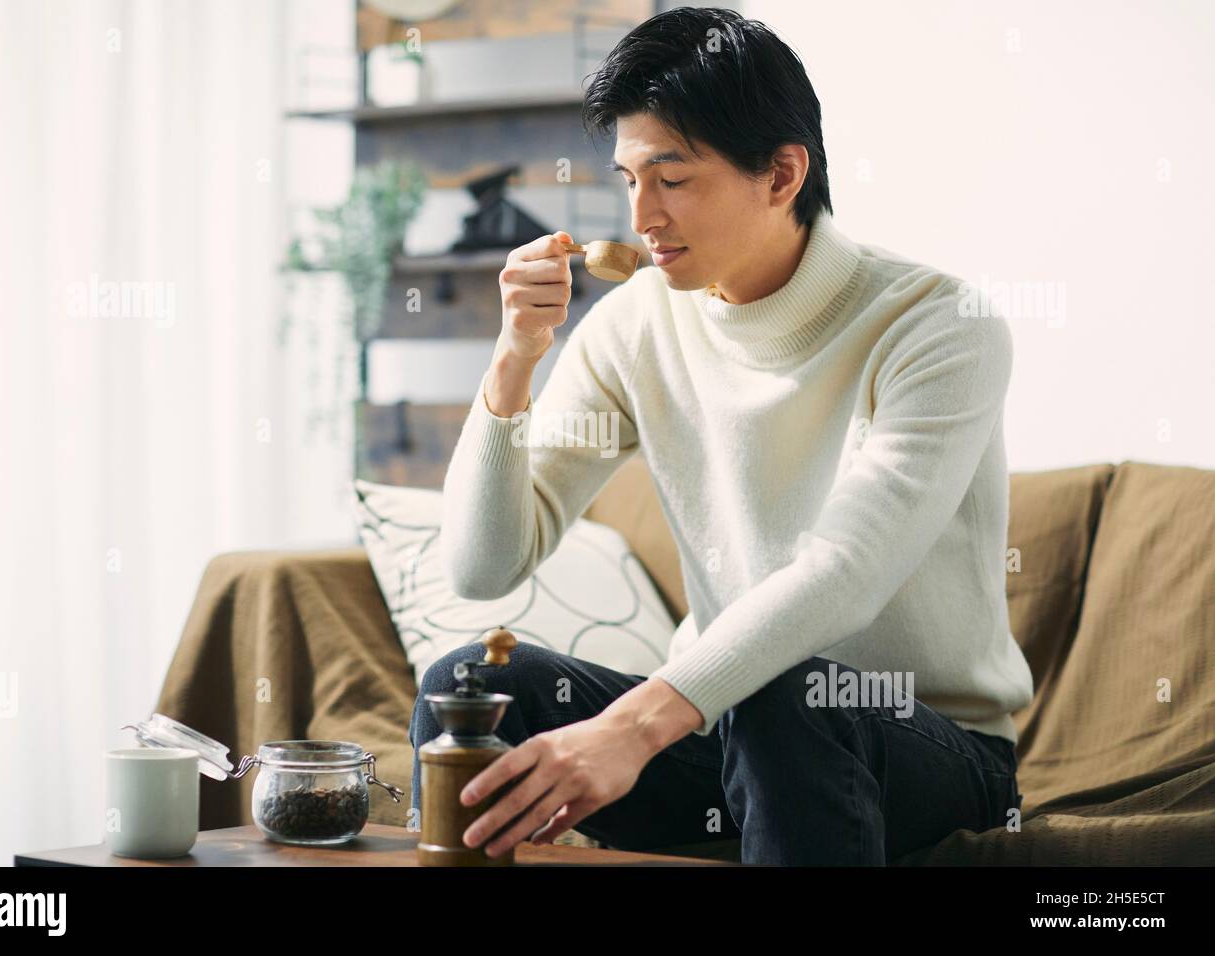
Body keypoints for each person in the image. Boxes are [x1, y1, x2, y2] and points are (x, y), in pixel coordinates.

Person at [410, 5, 1033, 865]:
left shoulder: (937, 327)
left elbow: (842, 574)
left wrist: (630, 729)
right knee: (468, 690)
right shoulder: (637, 325)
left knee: (789, 694)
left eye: (672, 179)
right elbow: (484, 567)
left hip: (921, 746)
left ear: (781, 174)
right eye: (629, 180)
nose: (643, 216)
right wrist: (513, 361)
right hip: (725, 733)